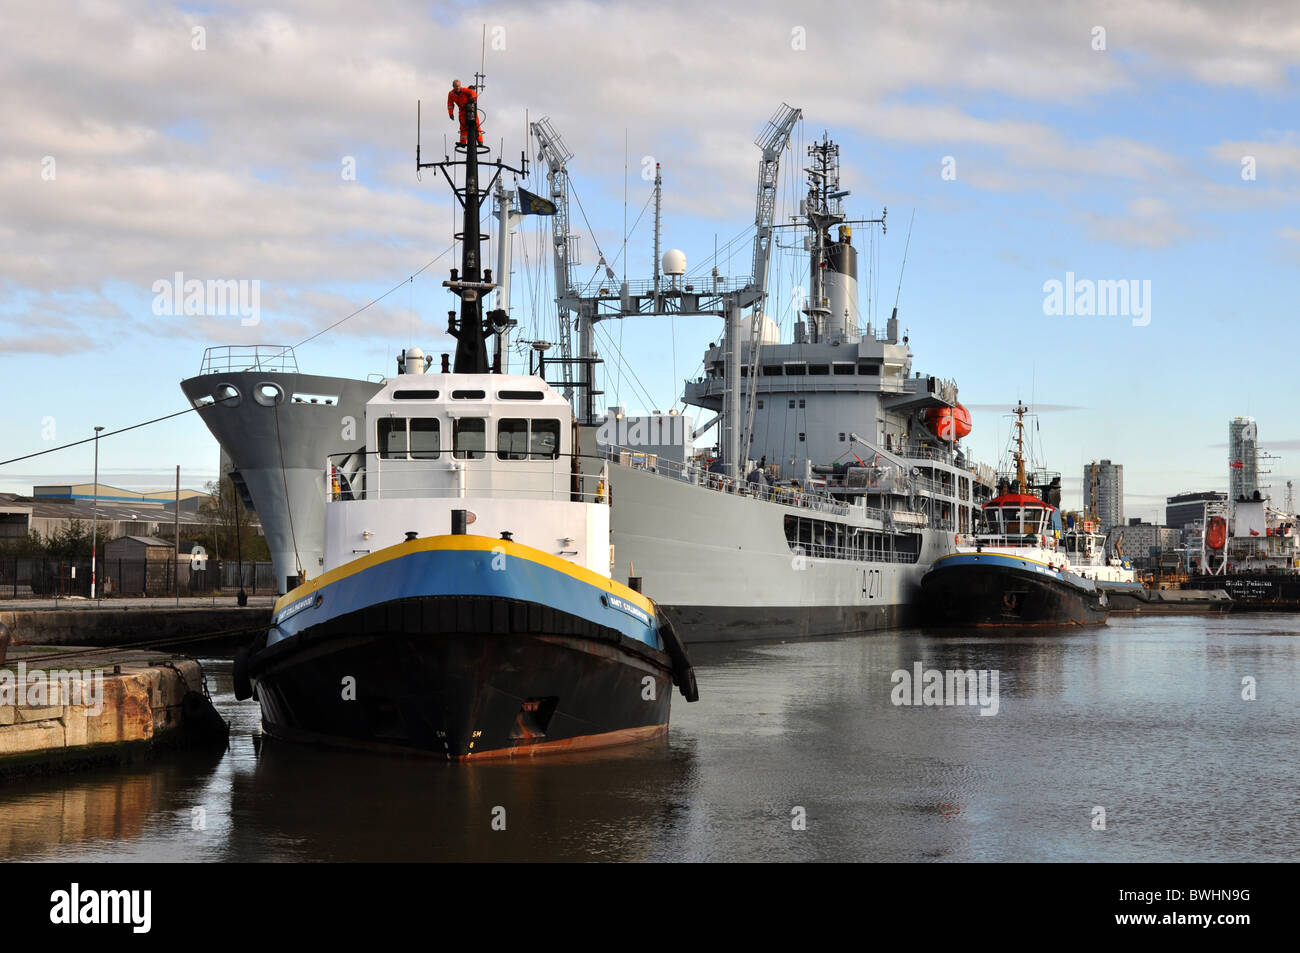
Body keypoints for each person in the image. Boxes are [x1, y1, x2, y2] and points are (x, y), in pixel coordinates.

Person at [447, 79, 483, 146]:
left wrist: (473, 98)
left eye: (458, 86)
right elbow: (450, 104)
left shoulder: (464, 90)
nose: (457, 87)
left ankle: (480, 141)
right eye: (455, 86)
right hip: (462, 110)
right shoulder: (451, 94)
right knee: (463, 126)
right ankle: (463, 142)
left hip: (470, 108)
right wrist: (451, 113)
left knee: (476, 124)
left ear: (460, 86)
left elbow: (473, 92)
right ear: (453, 86)